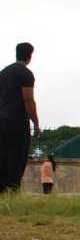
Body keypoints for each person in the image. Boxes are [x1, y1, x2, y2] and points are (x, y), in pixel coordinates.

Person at [0, 43, 40, 193]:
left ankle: (2, 191)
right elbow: (28, 99)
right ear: (30, 56)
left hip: (2, 118)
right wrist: (36, 123)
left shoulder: (3, 73)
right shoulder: (25, 74)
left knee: (3, 155)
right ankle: (13, 189)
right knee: (17, 156)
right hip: (16, 119)